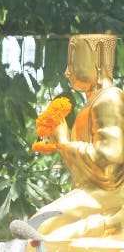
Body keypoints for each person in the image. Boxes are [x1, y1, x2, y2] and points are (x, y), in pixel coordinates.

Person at [34, 34, 124, 242]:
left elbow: (108, 166)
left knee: (42, 226)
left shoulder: (110, 97)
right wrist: (61, 144)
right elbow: (83, 172)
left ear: (98, 59)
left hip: (111, 194)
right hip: (94, 192)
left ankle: (107, 224)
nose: (67, 72)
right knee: (38, 225)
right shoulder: (93, 103)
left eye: (74, 62)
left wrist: (65, 144)